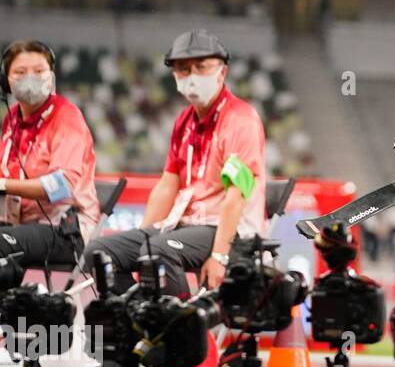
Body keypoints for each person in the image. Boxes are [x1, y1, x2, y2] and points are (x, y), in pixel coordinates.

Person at [86, 30, 265, 297]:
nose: (192, 76)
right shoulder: (184, 121)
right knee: (98, 252)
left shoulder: (241, 120)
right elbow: (167, 186)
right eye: (183, 69)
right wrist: (143, 234)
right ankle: (135, 320)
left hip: (227, 230)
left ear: (222, 73)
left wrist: (220, 256)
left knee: (158, 250)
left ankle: (180, 330)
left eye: (201, 67)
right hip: (184, 226)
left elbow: (236, 196)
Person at [0, 40, 100, 282]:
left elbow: (61, 187)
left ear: (51, 77)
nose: (30, 78)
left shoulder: (67, 117)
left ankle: (15, 308)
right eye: (20, 72)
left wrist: (3, 185)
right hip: (18, 223)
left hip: (65, 229)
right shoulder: (12, 118)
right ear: (7, 81)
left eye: (39, 71)